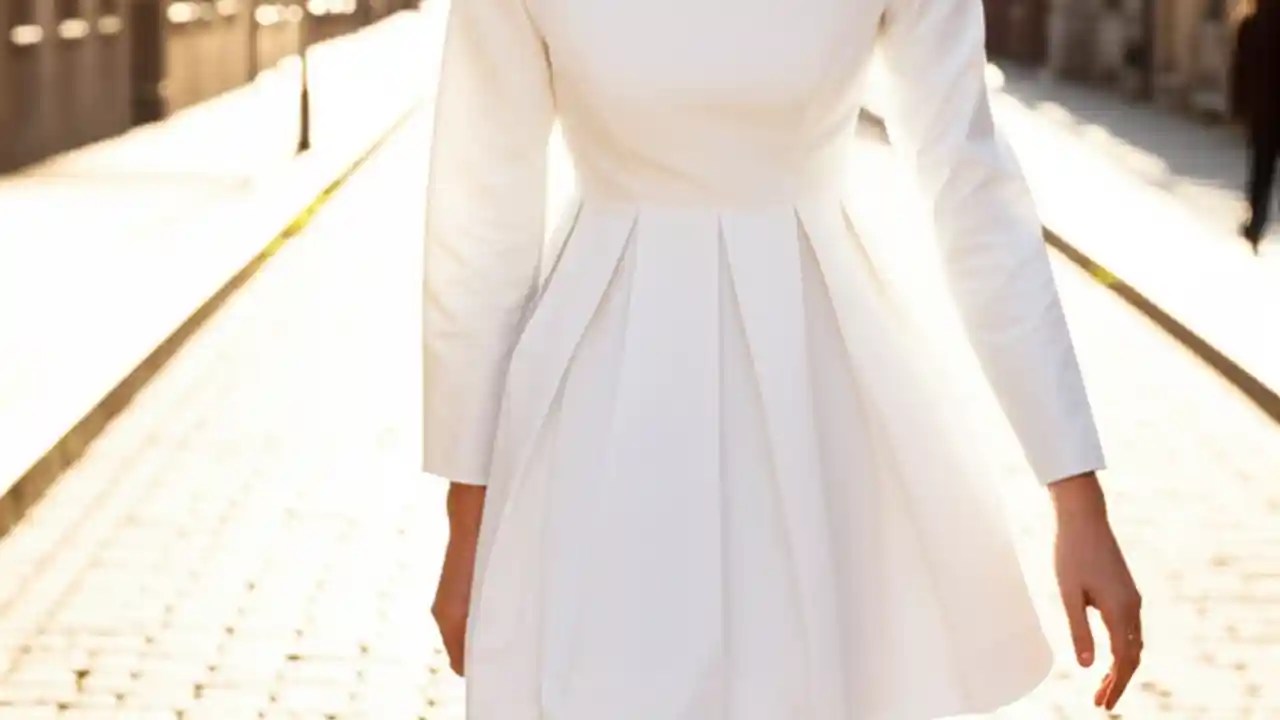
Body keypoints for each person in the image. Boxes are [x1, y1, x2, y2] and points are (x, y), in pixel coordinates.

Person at [421, 0, 1144, 717]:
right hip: (590, 411)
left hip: (820, 416)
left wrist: (1076, 496)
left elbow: (972, 193)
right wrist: (468, 523)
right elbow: (480, 219)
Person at [1232, 0, 1280, 250]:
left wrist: (1239, 109)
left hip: (1262, 111)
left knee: (1262, 168)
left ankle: (1256, 222)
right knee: (1261, 167)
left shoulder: (1250, 25)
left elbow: (1239, 72)